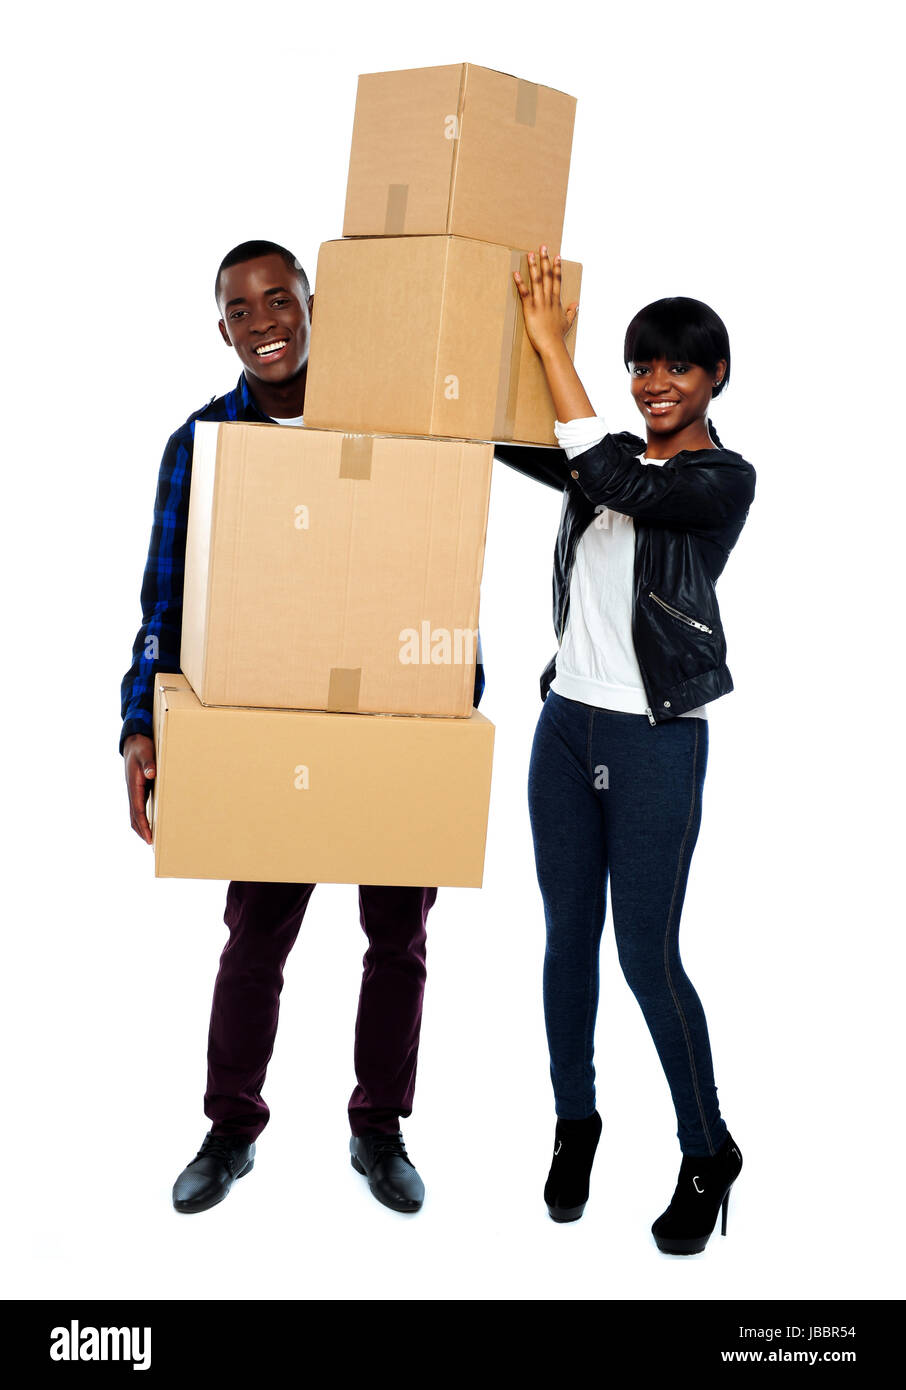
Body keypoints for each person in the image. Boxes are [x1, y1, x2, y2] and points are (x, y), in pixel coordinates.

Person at [121, 239, 485, 1216]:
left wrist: (453, 682)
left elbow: (439, 548)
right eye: (240, 310)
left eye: (278, 300)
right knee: (253, 938)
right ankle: (231, 1126)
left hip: (387, 717)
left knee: (397, 937)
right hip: (271, 722)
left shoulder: (382, 422)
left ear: (310, 302)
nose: (264, 323)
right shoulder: (204, 446)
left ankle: (380, 1128)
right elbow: (165, 601)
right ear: (223, 328)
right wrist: (138, 727)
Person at [493, 247, 755, 1255]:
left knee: (645, 954)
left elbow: (601, 470)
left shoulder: (717, 479)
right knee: (567, 942)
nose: (654, 382)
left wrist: (551, 344)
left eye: (675, 368)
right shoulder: (604, 454)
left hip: (655, 739)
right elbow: (518, 438)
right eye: (641, 364)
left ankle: (707, 1148)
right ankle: (576, 1121)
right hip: (564, 726)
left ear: (714, 379)